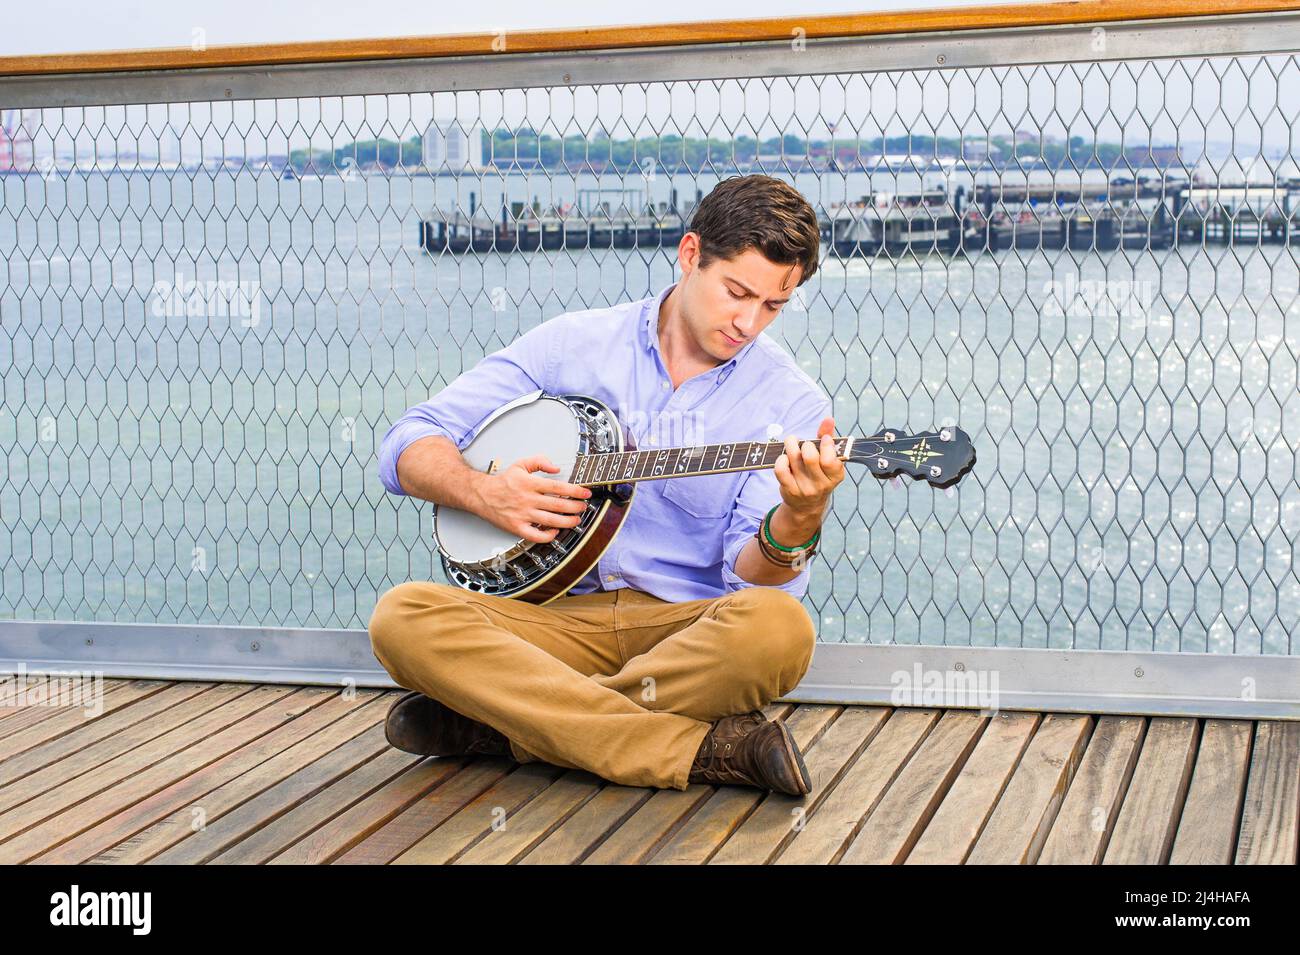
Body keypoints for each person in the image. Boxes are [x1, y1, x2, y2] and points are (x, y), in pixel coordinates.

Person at [368, 174, 845, 795]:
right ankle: (698, 750)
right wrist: (481, 491)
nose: (749, 322)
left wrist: (800, 518)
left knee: (779, 630)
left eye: (773, 306)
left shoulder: (792, 401)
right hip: (555, 622)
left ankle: (506, 726)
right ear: (691, 254)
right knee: (403, 616)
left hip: (684, 633)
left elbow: (750, 581)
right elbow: (409, 441)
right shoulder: (574, 344)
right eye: (737, 292)